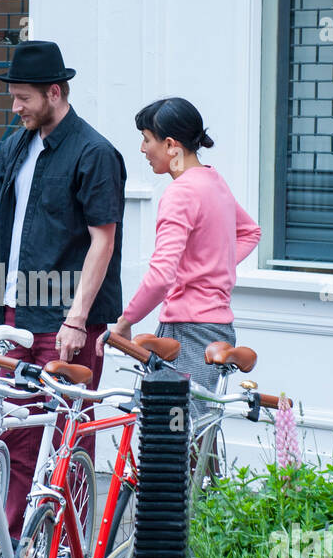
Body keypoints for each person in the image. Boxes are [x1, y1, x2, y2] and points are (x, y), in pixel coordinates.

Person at [0, 40, 126, 536]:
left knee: (70, 439)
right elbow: (2, 230)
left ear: (54, 92)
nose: (15, 107)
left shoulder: (96, 153)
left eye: (23, 98)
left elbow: (103, 242)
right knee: (15, 434)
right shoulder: (15, 145)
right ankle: (12, 553)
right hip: (14, 314)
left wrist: (77, 318)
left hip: (67, 320)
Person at [99, 97, 261, 413]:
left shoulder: (181, 192)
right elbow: (251, 232)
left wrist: (125, 321)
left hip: (187, 328)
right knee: (192, 440)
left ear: (171, 145)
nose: (142, 149)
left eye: (147, 139)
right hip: (216, 327)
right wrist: (212, 268)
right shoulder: (214, 181)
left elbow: (161, 277)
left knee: (172, 442)